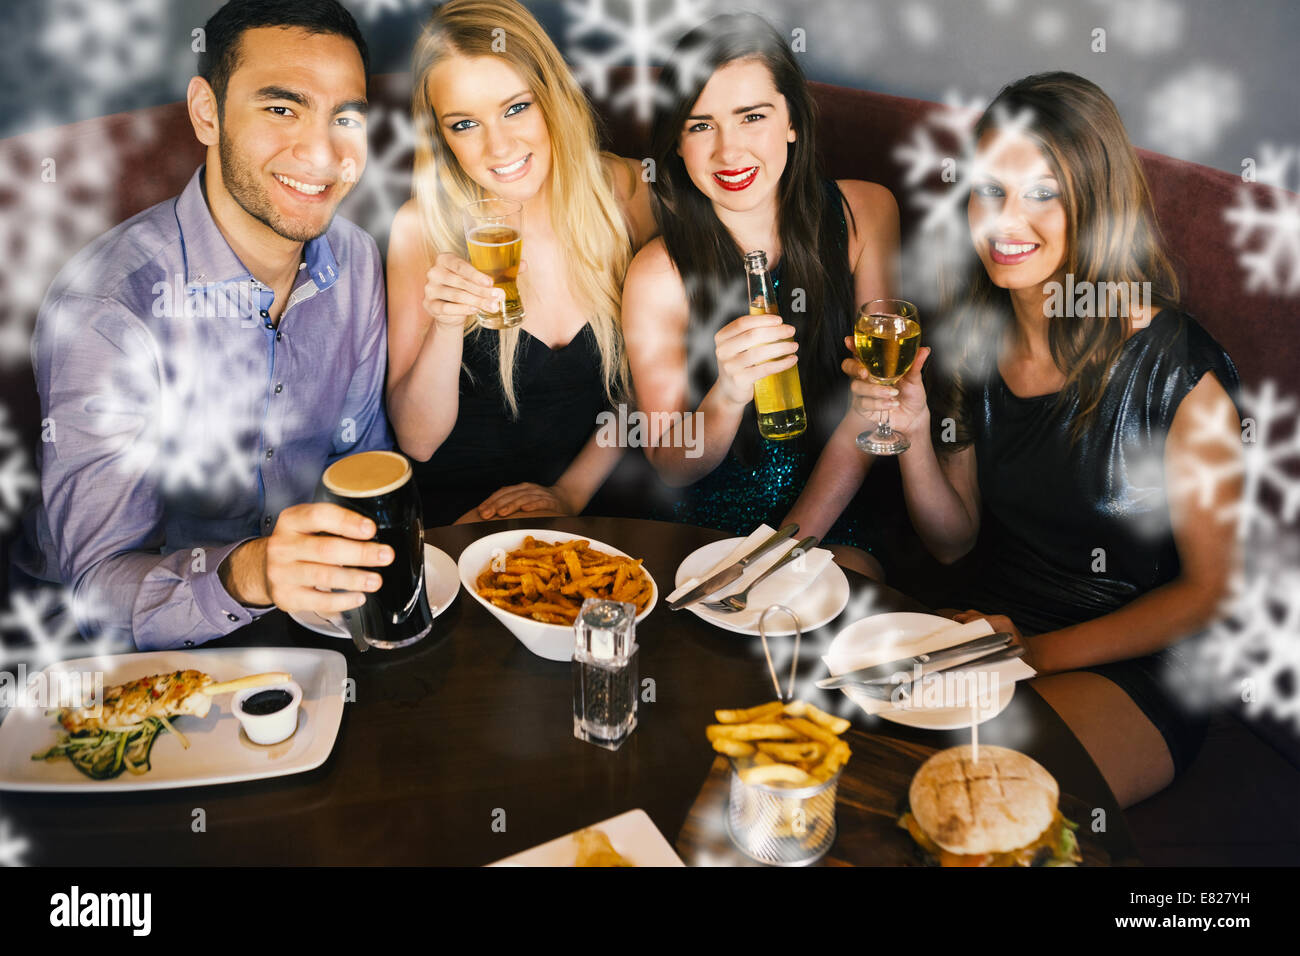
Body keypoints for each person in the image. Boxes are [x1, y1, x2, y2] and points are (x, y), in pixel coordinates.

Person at [846, 72, 1242, 806]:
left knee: (983, 797)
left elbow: (1211, 591)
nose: (1006, 220)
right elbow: (952, 541)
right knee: (853, 754)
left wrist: (1030, 654)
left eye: (1043, 193)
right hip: (995, 622)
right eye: (990, 189)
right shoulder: (967, 338)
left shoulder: (1177, 368)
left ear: (1096, 203)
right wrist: (912, 440)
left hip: (1137, 657)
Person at [13, 0, 397, 650]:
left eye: (345, 117)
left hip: (310, 622)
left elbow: (360, 470)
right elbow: (97, 590)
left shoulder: (356, 260)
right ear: (207, 112)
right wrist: (251, 573)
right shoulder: (107, 306)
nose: (322, 152)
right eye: (282, 108)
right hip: (116, 660)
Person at [621, 13, 900, 577]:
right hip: (704, 526)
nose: (729, 151)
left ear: (793, 121)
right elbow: (671, 466)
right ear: (676, 142)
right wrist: (726, 394)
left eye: (752, 117)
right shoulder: (656, 276)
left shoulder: (866, 213)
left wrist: (779, 554)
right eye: (700, 126)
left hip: (833, 511)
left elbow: (874, 410)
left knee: (847, 578)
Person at [386, 0, 655, 526]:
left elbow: (648, 388)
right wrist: (445, 325)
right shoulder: (421, 227)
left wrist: (570, 493)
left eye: (516, 107)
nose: (499, 145)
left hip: (599, 511)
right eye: (464, 124)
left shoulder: (627, 194)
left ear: (552, 96)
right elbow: (418, 441)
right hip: (465, 521)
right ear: (441, 136)